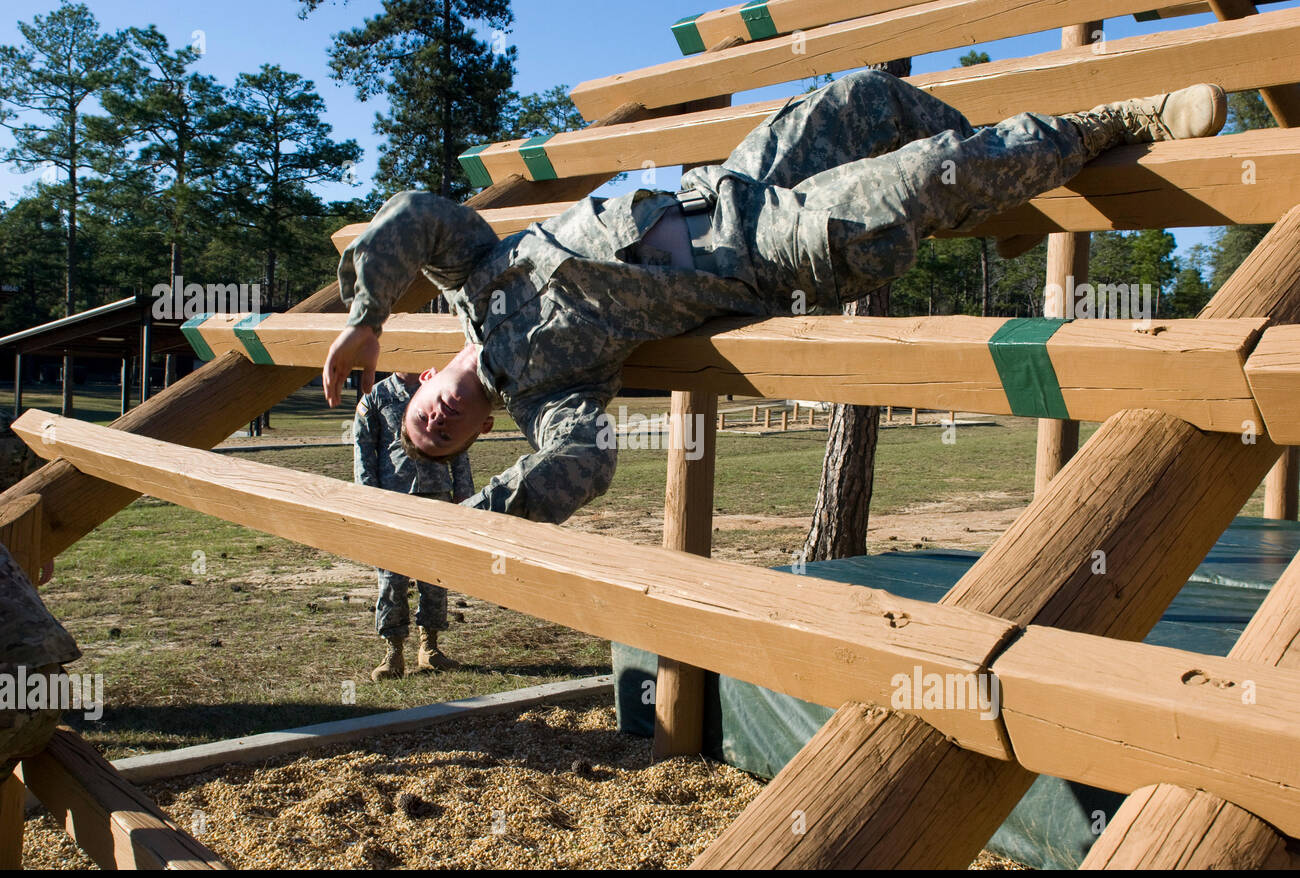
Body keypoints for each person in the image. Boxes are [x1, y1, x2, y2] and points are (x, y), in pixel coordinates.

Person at [325, 70, 1226, 525]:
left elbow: (415, 214)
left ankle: (1005, 195)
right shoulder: (553, 398)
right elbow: (584, 467)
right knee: (925, 175)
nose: (439, 420)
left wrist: (362, 317)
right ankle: (1120, 120)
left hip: (726, 183)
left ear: (416, 380)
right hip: (764, 245)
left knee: (865, 93)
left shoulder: (473, 281)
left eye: (422, 418)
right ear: (481, 436)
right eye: (446, 438)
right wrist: (485, 518)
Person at [354, 371, 475, 679]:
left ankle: (430, 648)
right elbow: (364, 449)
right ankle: (393, 652)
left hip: (436, 495)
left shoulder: (440, 390)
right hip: (393, 500)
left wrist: (463, 491)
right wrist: (367, 498)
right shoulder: (376, 395)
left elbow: (459, 443)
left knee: (435, 577)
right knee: (392, 578)